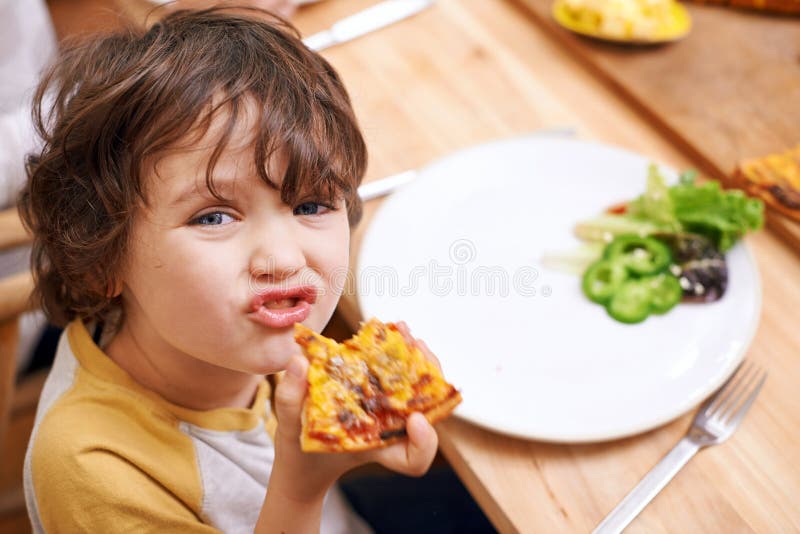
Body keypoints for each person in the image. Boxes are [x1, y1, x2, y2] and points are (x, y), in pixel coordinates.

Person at [19, 8, 441, 533]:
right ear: (104, 257)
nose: (283, 259)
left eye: (310, 205)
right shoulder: (89, 469)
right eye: (214, 216)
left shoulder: (214, 335)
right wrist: (302, 482)